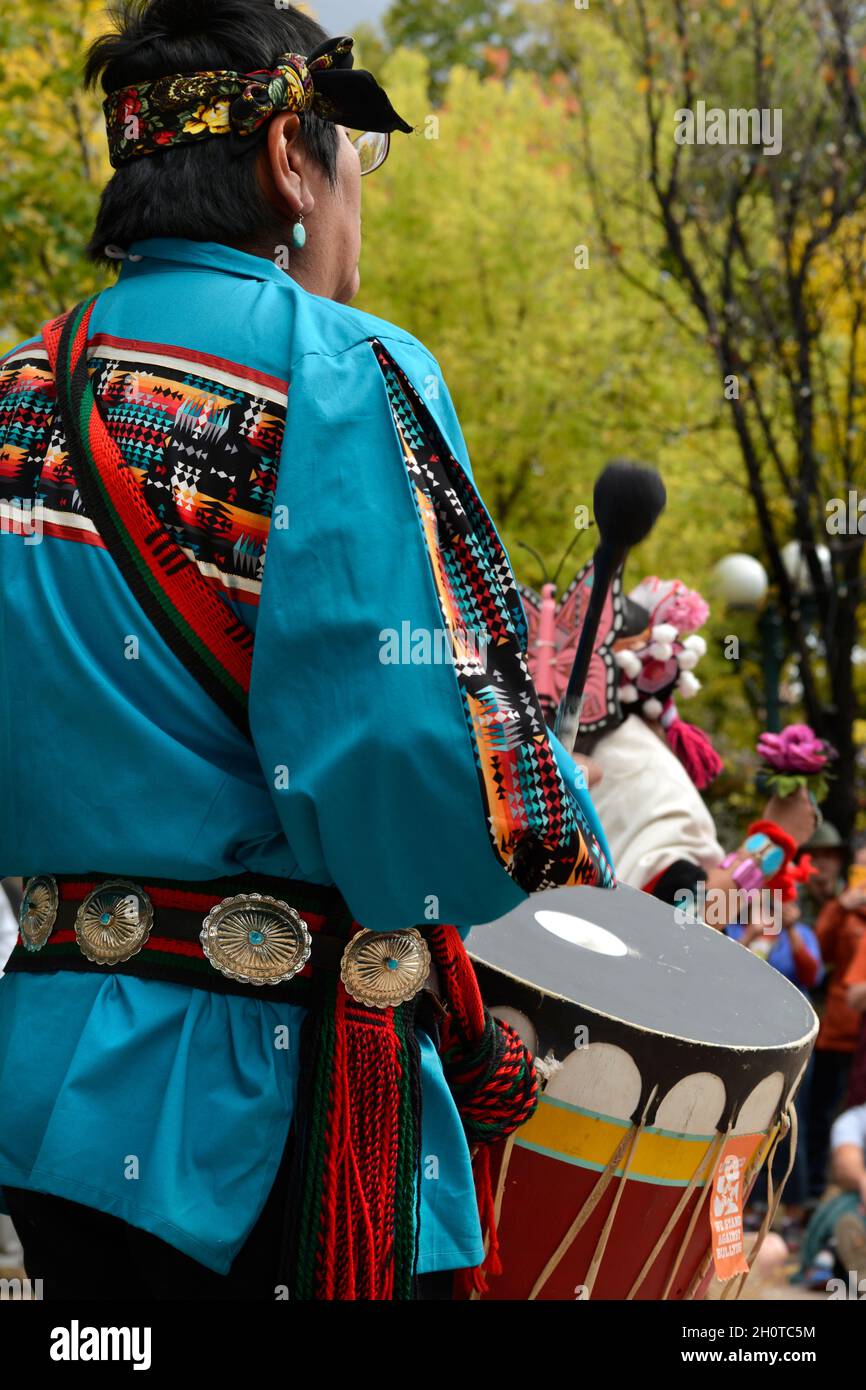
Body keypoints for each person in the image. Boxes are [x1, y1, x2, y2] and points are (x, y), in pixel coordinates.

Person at [0, 0, 613, 1302]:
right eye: (355, 153)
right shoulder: (344, 371)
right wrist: (554, 847)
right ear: (290, 155)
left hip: (52, 1083)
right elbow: (415, 750)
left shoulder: (14, 397)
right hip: (279, 1105)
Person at [806, 835, 866, 1200]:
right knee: (822, 1114)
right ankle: (815, 1192)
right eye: (860, 866)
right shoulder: (843, 910)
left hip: (861, 1043)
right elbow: (817, 954)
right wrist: (840, 907)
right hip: (835, 1032)